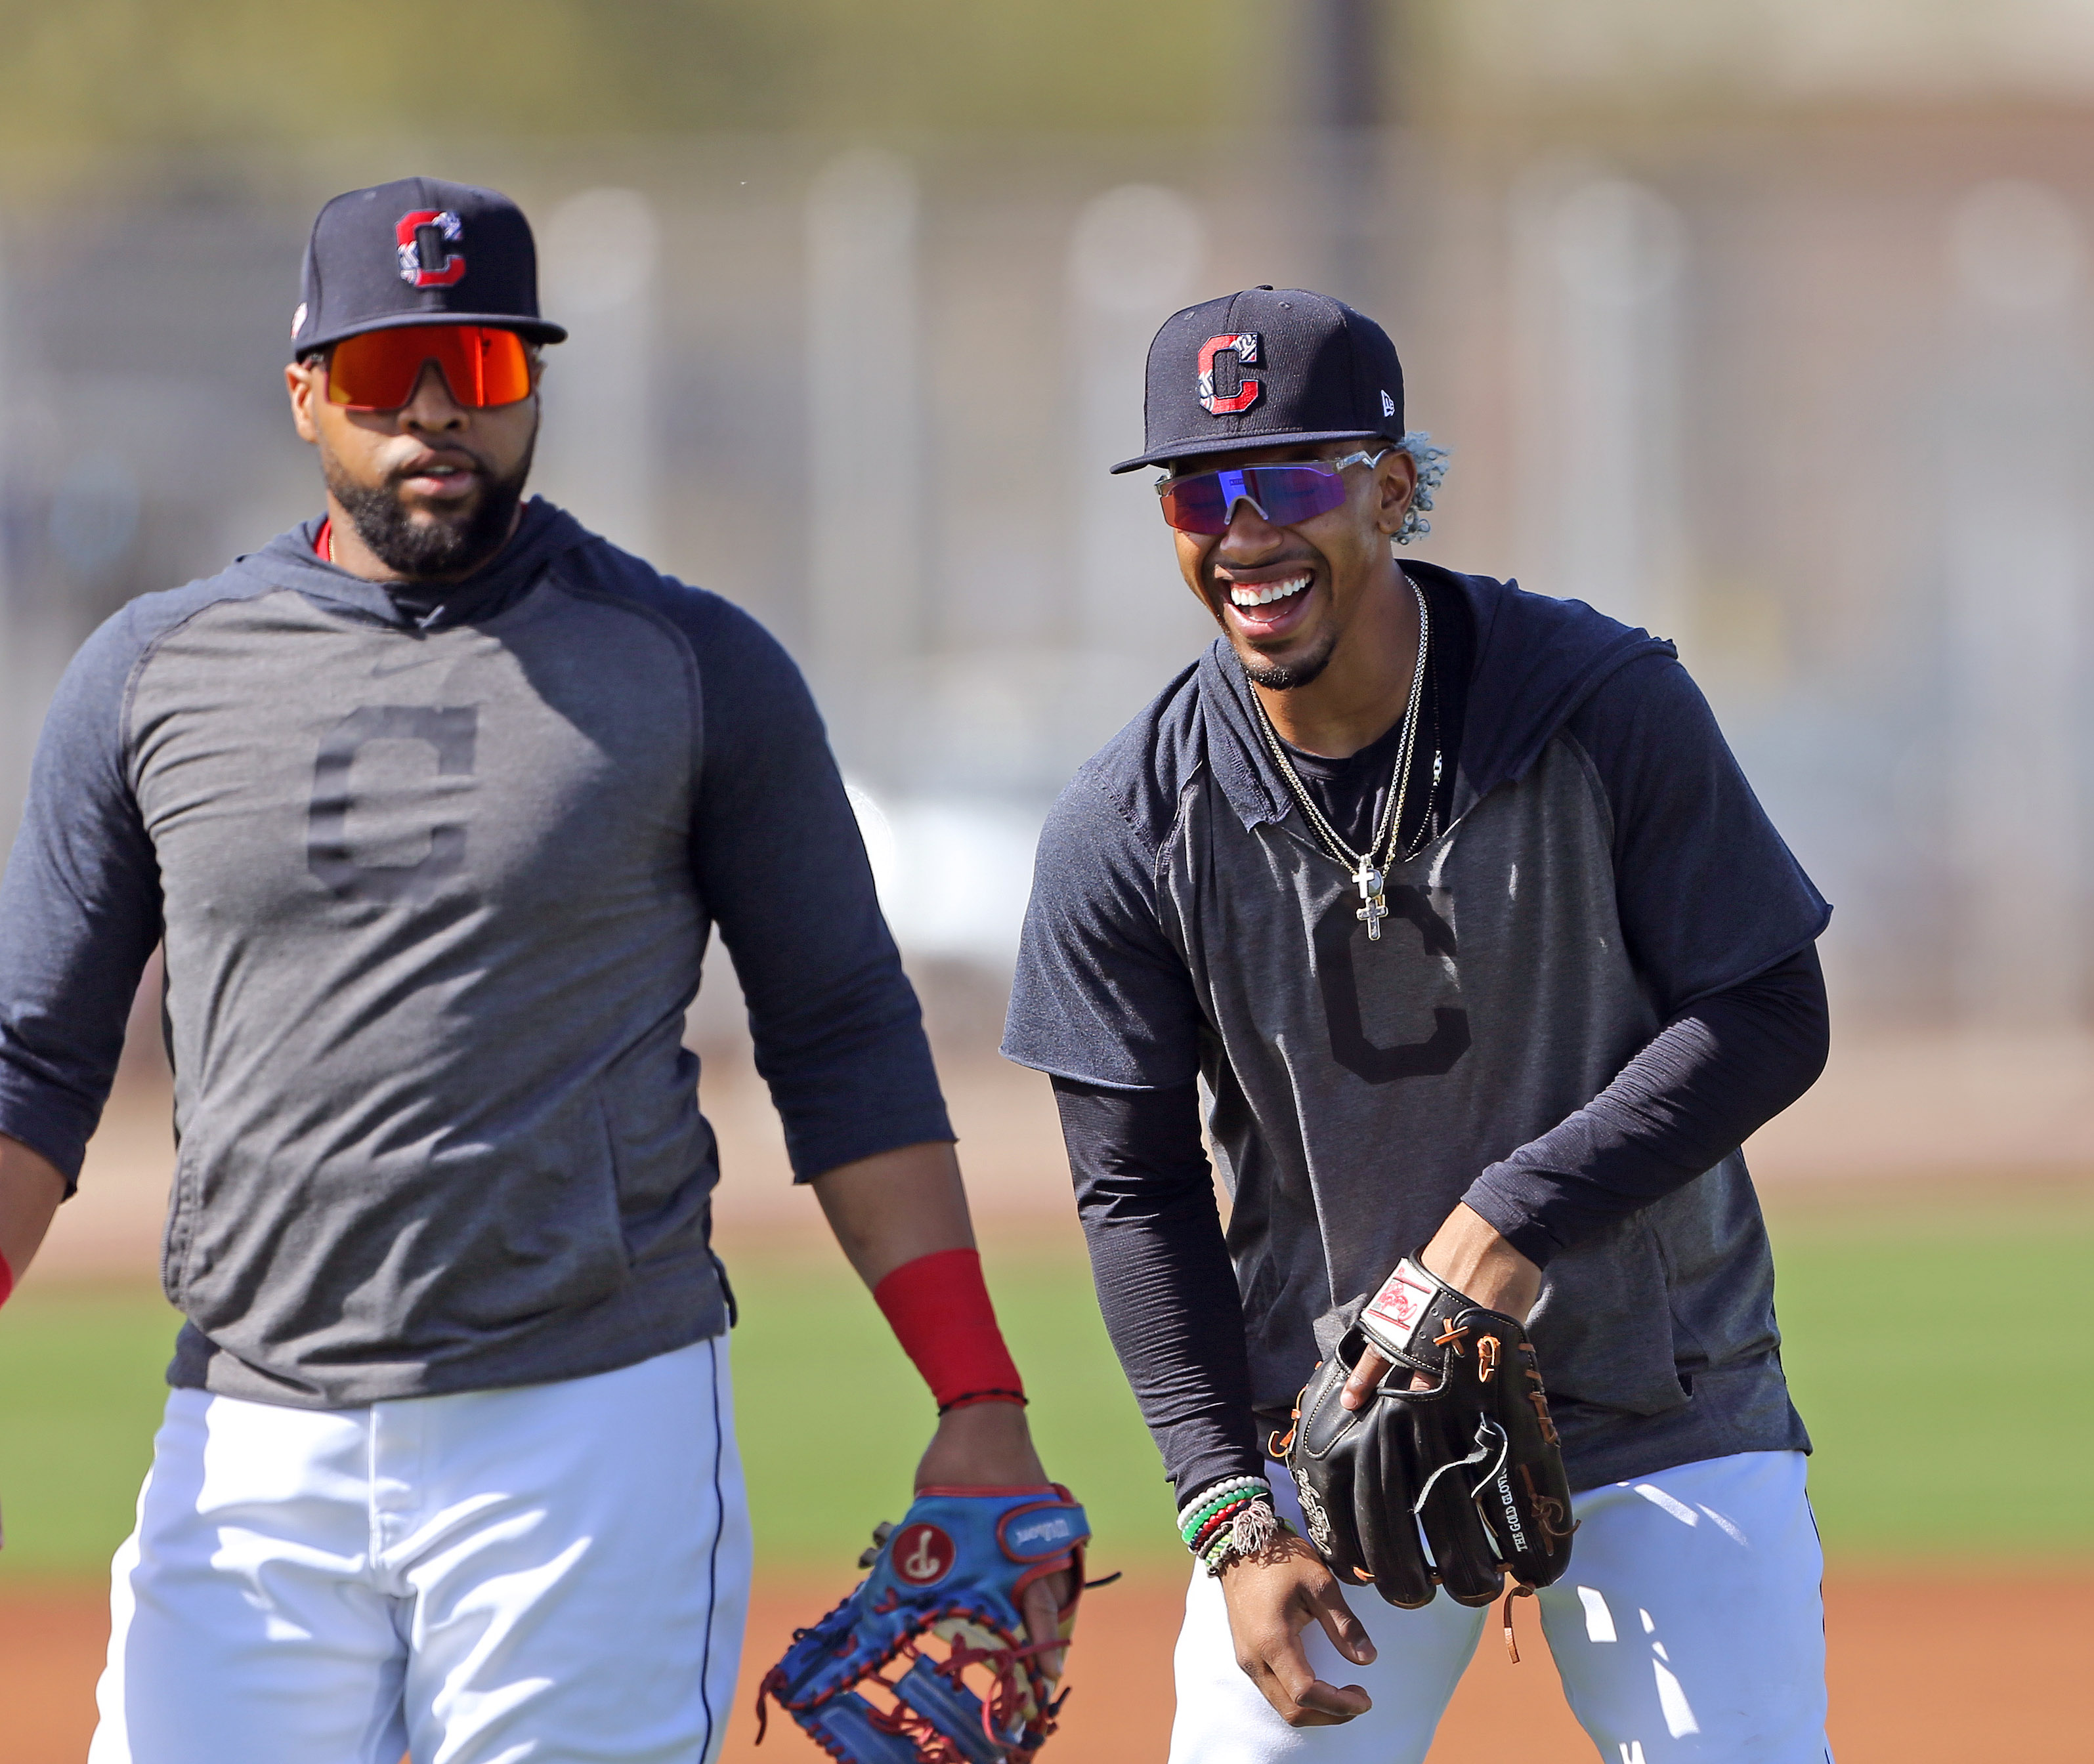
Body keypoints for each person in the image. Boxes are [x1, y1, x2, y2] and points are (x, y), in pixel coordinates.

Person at [0, 176, 1059, 1764]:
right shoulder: (153, 673)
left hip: (591, 1431)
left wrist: (977, 1391)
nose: (436, 412)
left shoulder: (692, 666)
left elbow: (843, 1037)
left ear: (535, 385)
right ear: (306, 394)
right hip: (251, 1441)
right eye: (385, 372)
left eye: (481, 366)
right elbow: (32, 1060)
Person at [1003, 287, 1835, 1762]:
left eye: (1289, 483)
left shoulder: (1597, 705)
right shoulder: (1130, 822)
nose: (1242, 534)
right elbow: (1134, 1193)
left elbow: (1771, 1010)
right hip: (1334, 1436)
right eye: (1197, 491)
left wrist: (1513, 1215)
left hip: (1663, 1404)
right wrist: (1227, 1513)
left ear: (1391, 491)